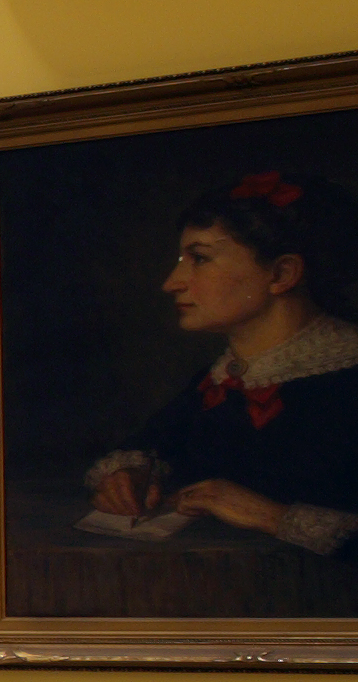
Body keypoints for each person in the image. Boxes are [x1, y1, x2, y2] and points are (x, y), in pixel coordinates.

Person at [85, 169, 358, 585]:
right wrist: (132, 474)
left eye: (199, 258)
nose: (171, 282)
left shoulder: (347, 376)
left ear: (282, 274)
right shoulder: (218, 381)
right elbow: (154, 443)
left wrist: (272, 517)